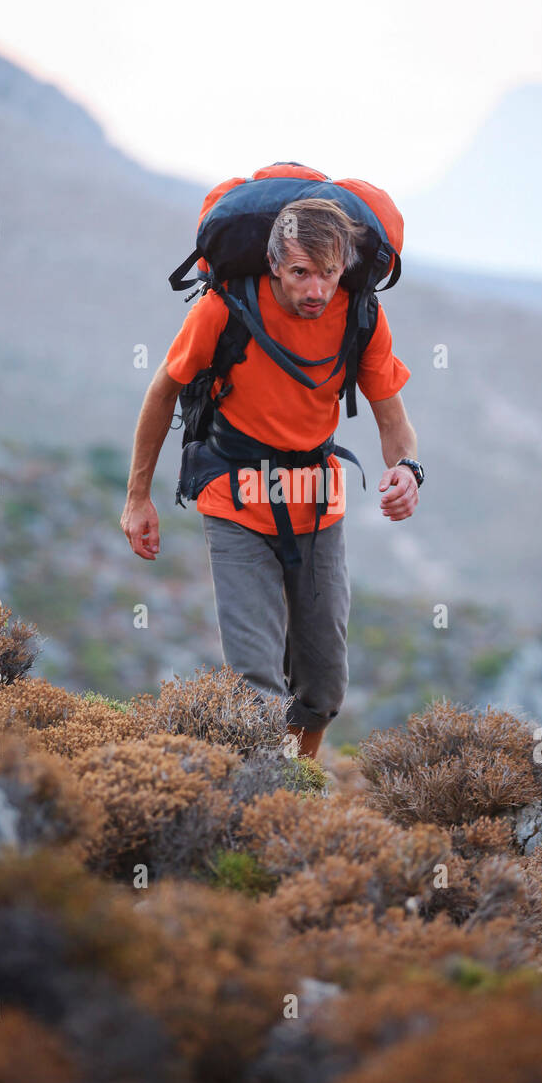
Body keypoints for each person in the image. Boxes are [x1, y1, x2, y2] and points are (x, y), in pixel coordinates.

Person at [121, 197, 422, 762]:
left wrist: (407, 469)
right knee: (255, 686)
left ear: (346, 268)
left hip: (316, 502)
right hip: (234, 499)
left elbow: (394, 421)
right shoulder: (223, 310)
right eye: (301, 273)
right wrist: (138, 497)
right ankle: (267, 803)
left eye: (328, 274)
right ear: (274, 264)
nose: (315, 291)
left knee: (325, 685)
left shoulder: (361, 314)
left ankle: (297, 783)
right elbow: (162, 392)